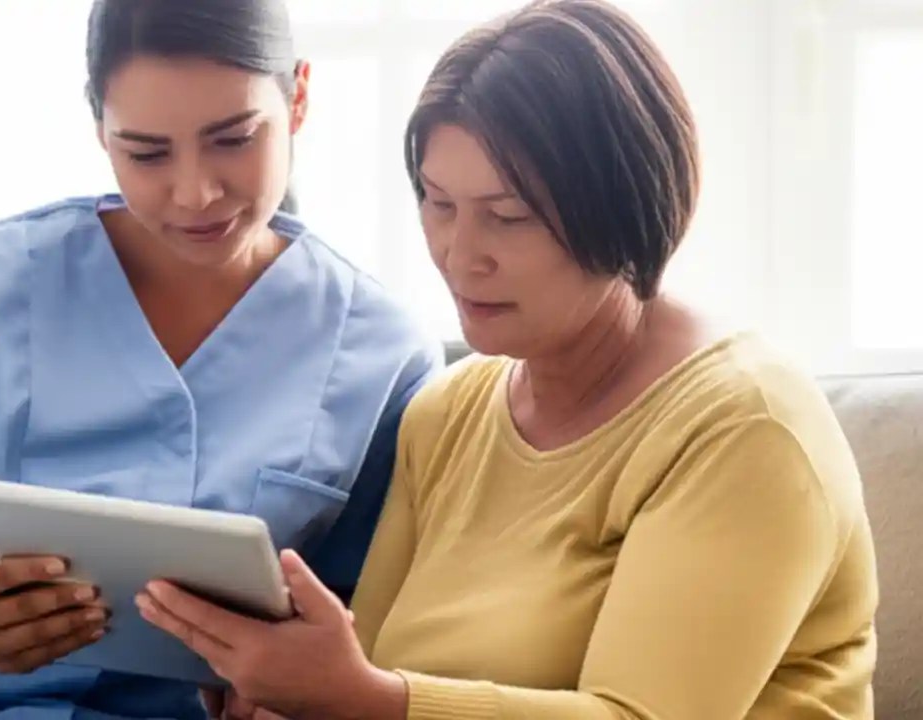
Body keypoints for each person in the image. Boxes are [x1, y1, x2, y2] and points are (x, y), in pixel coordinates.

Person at [136, 1, 880, 718]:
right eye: (438, 202)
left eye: (508, 217)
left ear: (623, 210)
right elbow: (375, 672)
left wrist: (356, 699)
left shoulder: (747, 428)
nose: (460, 256)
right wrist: (280, 692)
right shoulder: (446, 415)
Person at [0, 1, 442, 718]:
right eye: (146, 152)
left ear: (297, 96)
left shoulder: (384, 353)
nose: (195, 192)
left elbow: (367, 634)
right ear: (100, 131)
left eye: (233, 139)